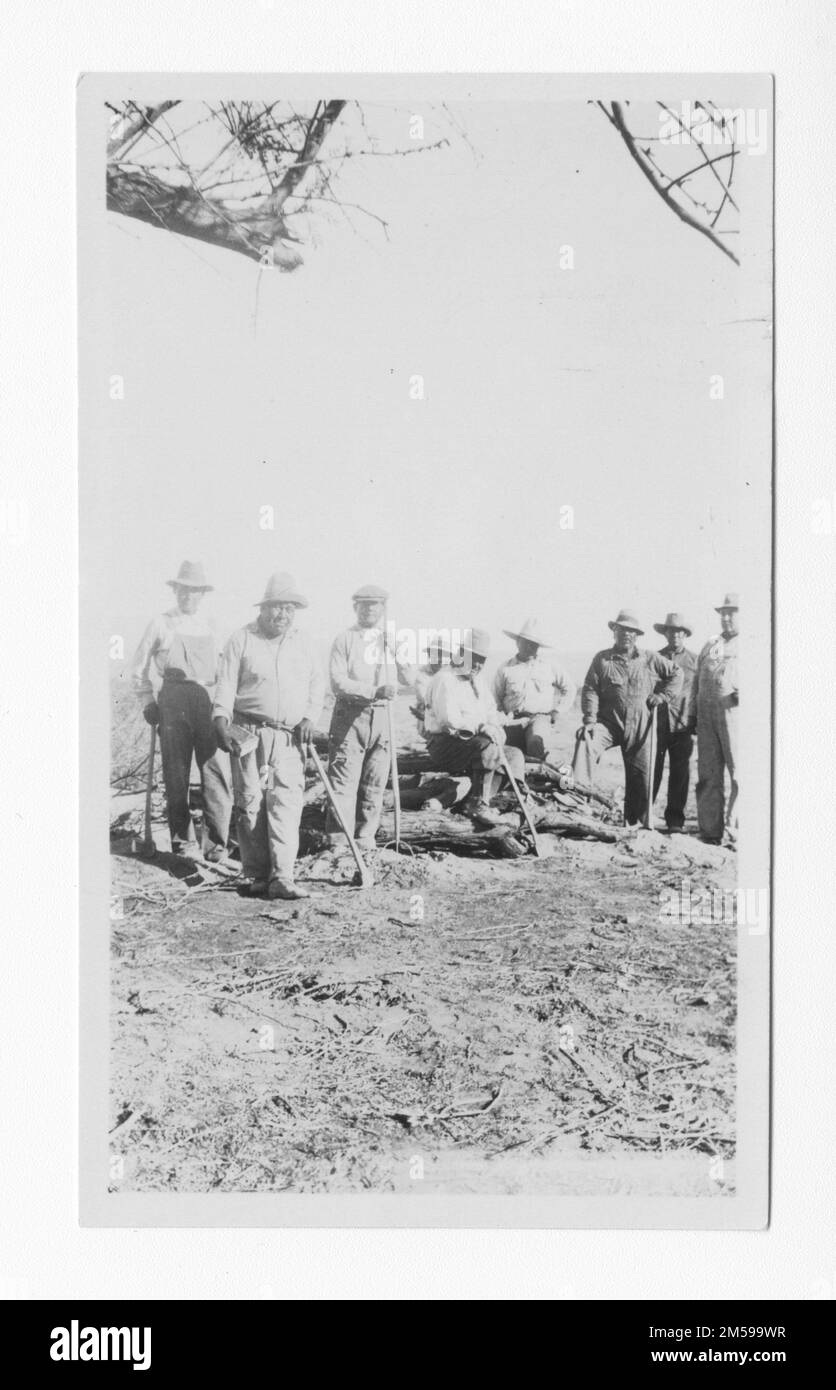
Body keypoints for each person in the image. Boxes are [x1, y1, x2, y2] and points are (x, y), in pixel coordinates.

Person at [213, 572, 324, 899]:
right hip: (249, 732)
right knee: (250, 801)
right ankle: (255, 874)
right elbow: (226, 683)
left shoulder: (303, 642)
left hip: (290, 737)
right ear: (263, 608)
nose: (283, 615)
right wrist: (220, 719)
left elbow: (318, 685)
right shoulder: (242, 639)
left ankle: (282, 877)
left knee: (287, 802)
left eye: (289, 608)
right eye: (277, 607)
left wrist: (309, 717)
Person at [131, 559, 232, 860]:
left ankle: (216, 846)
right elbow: (138, 668)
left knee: (215, 773)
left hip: (206, 700)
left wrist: (224, 708)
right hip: (173, 701)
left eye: (194, 592)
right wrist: (148, 701)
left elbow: (227, 669)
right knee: (176, 775)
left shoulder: (213, 625)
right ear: (175, 591)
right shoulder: (160, 623)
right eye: (183, 591)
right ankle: (183, 843)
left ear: (203, 594)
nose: (188, 597)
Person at [578, 608, 682, 826]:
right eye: (622, 630)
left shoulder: (650, 658)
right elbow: (590, 689)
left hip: (640, 725)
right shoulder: (602, 659)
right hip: (608, 724)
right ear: (614, 631)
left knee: (641, 776)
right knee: (586, 741)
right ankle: (576, 802)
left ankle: (635, 822)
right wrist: (589, 721)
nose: (627, 635)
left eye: (632, 632)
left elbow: (676, 673)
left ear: (637, 636)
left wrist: (663, 696)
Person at [326, 584, 410, 850]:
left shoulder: (391, 640)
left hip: (383, 718)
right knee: (344, 782)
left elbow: (410, 679)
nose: (369, 609)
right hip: (351, 716)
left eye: (375, 604)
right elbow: (338, 682)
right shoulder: (345, 639)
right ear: (355, 608)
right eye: (364, 604)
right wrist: (374, 690)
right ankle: (339, 842)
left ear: (383, 608)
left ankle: (365, 840)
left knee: (374, 781)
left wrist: (397, 653)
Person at [424, 628, 526, 826]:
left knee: (514, 755)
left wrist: (495, 727)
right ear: (461, 654)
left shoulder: (478, 681)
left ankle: (478, 800)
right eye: (474, 657)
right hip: (446, 745)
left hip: (473, 744)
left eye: (482, 659)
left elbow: (490, 711)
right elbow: (449, 720)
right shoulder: (445, 679)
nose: (478, 664)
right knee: (488, 745)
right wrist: (482, 726)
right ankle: (477, 804)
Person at [493, 617, 576, 762]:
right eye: (526, 643)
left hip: (538, 719)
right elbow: (495, 698)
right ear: (517, 642)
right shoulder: (505, 668)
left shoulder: (549, 666)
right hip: (511, 720)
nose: (530, 647)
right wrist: (503, 718)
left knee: (536, 743)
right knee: (504, 752)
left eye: (534, 644)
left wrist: (557, 711)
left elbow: (569, 689)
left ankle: (538, 779)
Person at [695, 593, 739, 846]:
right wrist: (692, 714)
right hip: (707, 716)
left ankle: (735, 833)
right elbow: (696, 682)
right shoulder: (711, 643)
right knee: (708, 773)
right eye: (723, 613)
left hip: (736, 715)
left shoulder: (757, 642)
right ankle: (709, 831)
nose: (726, 618)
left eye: (732, 612)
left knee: (739, 775)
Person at [650, 612, 698, 831]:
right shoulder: (654, 658)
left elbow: (699, 691)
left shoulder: (694, 661)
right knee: (652, 770)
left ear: (684, 634)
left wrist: (696, 719)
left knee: (680, 774)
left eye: (679, 632)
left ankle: (675, 821)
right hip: (657, 725)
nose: (675, 635)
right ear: (665, 633)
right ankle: (644, 816)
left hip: (683, 725)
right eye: (671, 631)